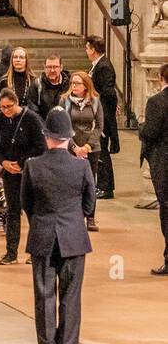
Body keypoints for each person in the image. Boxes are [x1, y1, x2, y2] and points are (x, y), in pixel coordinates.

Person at [21, 107, 95, 344]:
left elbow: (26, 204)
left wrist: (41, 222)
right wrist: (74, 219)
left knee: (44, 294)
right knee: (71, 295)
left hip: (42, 235)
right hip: (74, 236)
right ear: (69, 137)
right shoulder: (81, 166)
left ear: (46, 136)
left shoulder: (33, 166)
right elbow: (89, 205)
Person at [0, 88, 46, 265]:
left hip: (28, 171)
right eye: (2, 107)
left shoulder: (31, 119)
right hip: (9, 172)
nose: (6, 110)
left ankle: (35, 251)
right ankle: (11, 252)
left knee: (32, 211)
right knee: (12, 211)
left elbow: (40, 146)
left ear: (16, 103)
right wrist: (4, 162)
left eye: (9, 106)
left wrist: (21, 164)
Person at [61, 69, 103, 232]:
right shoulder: (64, 101)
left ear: (86, 86)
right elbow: (63, 126)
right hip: (71, 148)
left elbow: (99, 127)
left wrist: (86, 147)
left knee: (90, 183)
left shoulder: (95, 101)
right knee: (70, 183)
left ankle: (90, 217)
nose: (74, 86)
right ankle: (73, 216)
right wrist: (74, 147)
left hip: (91, 149)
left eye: (77, 83)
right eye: (72, 83)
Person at [140, 63, 168, 276]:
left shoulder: (156, 101)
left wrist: (141, 126)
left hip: (164, 163)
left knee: (166, 213)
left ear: (161, 78)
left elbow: (150, 133)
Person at [85, 35, 119, 199]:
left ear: (92, 49)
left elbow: (109, 93)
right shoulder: (97, 65)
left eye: (87, 48)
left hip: (102, 116)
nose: (86, 51)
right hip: (97, 113)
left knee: (102, 152)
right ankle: (101, 185)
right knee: (98, 151)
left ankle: (106, 187)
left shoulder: (104, 66)